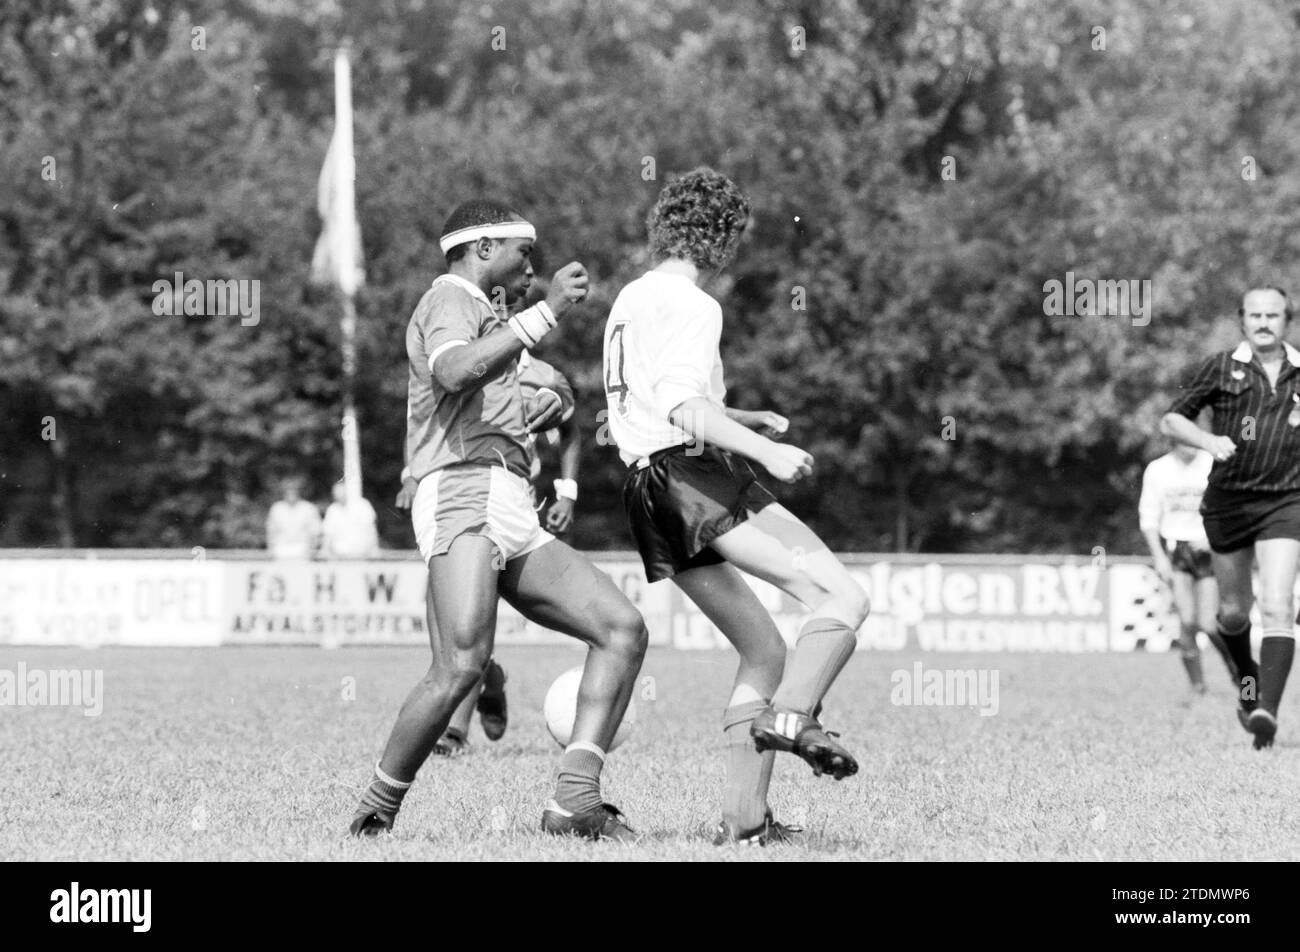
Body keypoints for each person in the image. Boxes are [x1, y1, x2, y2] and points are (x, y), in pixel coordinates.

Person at [350, 199, 647, 840]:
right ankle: (375, 812)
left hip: (512, 504)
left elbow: (554, 387)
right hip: (463, 492)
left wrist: (549, 396)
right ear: (483, 247)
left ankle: (574, 804)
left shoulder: (489, 316)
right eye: (523, 252)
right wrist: (549, 314)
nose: (531, 266)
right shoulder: (448, 298)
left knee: (621, 629)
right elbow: (455, 370)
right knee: (461, 663)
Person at [602, 167, 871, 845]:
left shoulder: (632, 297)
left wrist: (745, 417)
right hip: (691, 475)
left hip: (646, 487)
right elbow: (683, 406)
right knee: (840, 598)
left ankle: (745, 823)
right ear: (723, 236)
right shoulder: (694, 304)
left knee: (762, 650)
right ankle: (791, 718)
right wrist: (765, 451)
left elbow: (655, 398)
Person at [418, 346, 580, 757]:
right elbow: (429, 419)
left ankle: (453, 732)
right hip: (455, 496)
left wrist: (567, 493)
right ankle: (489, 679)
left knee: (470, 626)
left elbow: (572, 429)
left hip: (511, 503)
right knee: (451, 629)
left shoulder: (546, 374)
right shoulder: (462, 363)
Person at [1161, 286, 1300, 749]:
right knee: (1233, 614)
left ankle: (1267, 712)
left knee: (1279, 606)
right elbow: (1171, 421)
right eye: (1255, 315)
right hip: (1228, 505)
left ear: (1287, 320)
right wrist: (1208, 442)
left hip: (1286, 502)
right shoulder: (1221, 367)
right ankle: (1248, 682)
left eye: (1273, 315)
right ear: (1242, 320)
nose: (1264, 322)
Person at [1137, 442, 1238, 694]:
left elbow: (1231, 507)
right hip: (1177, 551)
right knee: (1186, 620)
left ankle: (1238, 670)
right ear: (1172, 439)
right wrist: (1159, 557)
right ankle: (1197, 687)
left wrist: (1212, 537)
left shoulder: (1212, 463)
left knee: (1209, 623)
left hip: (1208, 551)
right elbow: (1149, 517)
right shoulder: (1158, 469)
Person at [319, 480, 380, 559]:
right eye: (336, 493)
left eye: (341, 493)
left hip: (361, 554)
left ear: (347, 492)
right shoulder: (332, 509)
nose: (338, 495)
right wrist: (325, 550)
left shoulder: (363, 505)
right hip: (339, 555)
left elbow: (371, 529)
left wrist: (374, 548)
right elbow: (328, 534)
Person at [265, 476, 321, 560]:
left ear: (299, 491)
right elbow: (270, 532)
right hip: (280, 549)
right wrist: (270, 549)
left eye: (294, 490)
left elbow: (316, 532)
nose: (291, 492)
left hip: (303, 550)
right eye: (288, 490)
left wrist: (312, 549)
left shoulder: (309, 508)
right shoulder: (276, 508)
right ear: (284, 492)